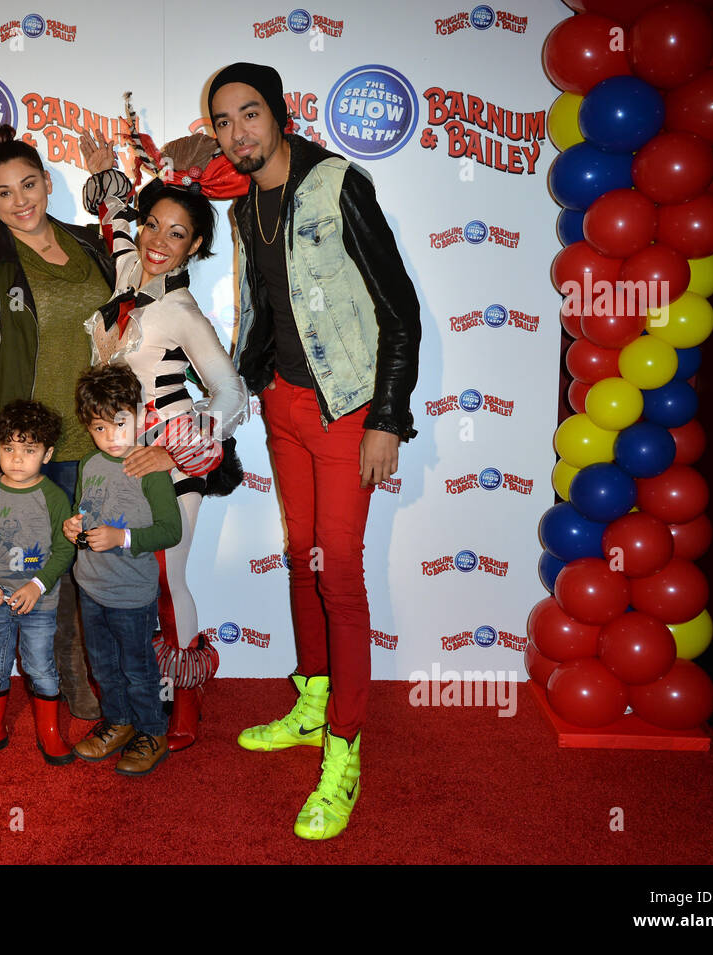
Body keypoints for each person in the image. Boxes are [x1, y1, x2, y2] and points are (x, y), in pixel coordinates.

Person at [208, 63, 422, 839]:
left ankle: (345, 746)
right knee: (302, 557)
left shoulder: (338, 185)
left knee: (341, 575)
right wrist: (256, 384)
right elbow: (266, 306)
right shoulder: (243, 208)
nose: (239, 132)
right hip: (285, 406)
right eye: (225, 121)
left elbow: (400, 308)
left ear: (282, 114)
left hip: (348, 408)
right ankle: (312, 697)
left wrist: (388, 417)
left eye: (250, 114)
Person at [75, 125, 249, 750]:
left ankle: (186, 700)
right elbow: (118, 217)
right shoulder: (126, 266)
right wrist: (107, 174)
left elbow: (232, 396)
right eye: (154, 226)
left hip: (170, 468)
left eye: (177, 234)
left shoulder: (181, 311)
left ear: (195, 245)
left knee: (166, 585)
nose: (158, 242)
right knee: (121, 588)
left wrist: (174, 445)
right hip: (114, 464)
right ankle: (134, 701)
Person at [0, 125, 111, 747]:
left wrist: (109, 174)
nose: (21, 201)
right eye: (3, 191)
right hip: (21, 454)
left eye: (30, 185)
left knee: (68, 563)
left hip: (92, 445)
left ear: (46, 182)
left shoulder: (93, 244)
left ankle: (69, 676)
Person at [63, 363, 183, 775]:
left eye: (120, 424)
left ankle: (152, 730)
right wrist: (74, 527)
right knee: (103, 667)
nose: (111, 438)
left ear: (139, 415)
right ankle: (119, 723)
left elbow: (170, 530)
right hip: (90, 587)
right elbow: (86, 512)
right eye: (99, 428)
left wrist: (122, 538)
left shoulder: (149, 467)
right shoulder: (89, 465)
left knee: (137, 668)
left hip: (131, 594)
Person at [0, 400, 76, 766]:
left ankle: (49, 732)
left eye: (29, 450)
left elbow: (63, 550)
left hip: (39, 603)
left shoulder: (54, 498)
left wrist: (37, 586)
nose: (17, 459)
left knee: (40, 666)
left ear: (47, 452)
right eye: (8, 449)